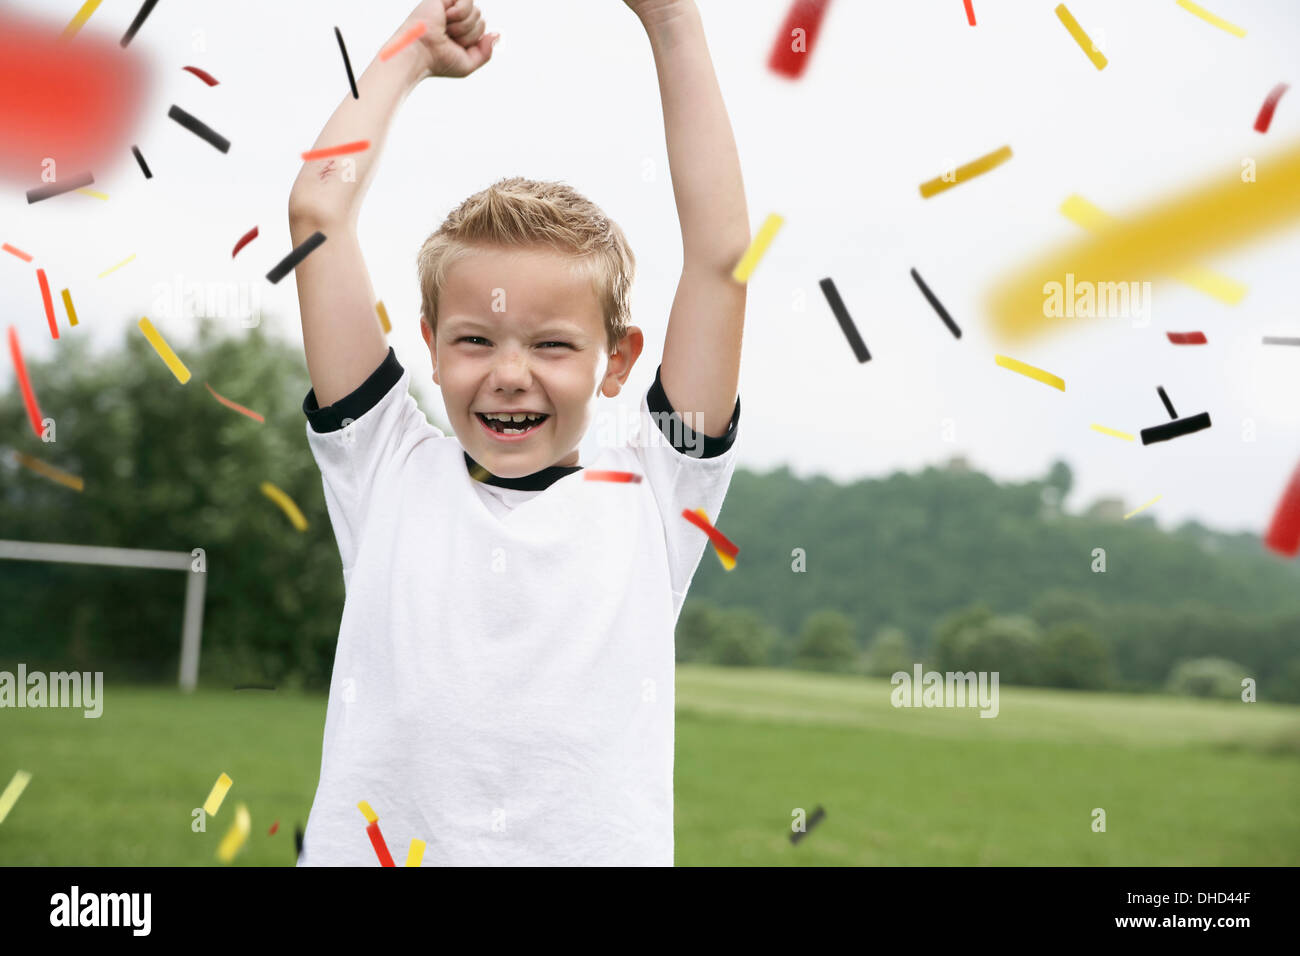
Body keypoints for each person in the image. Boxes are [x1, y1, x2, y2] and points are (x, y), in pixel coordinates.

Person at [286, 0, 750, 865]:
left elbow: (722, 259)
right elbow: (318, 213)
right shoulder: (382, 464)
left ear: (617, 363)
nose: (509, 372)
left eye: (551, 345)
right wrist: (409, 53)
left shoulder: (657, 490)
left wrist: (673, 23)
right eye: (475, 339)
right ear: (429, 345)